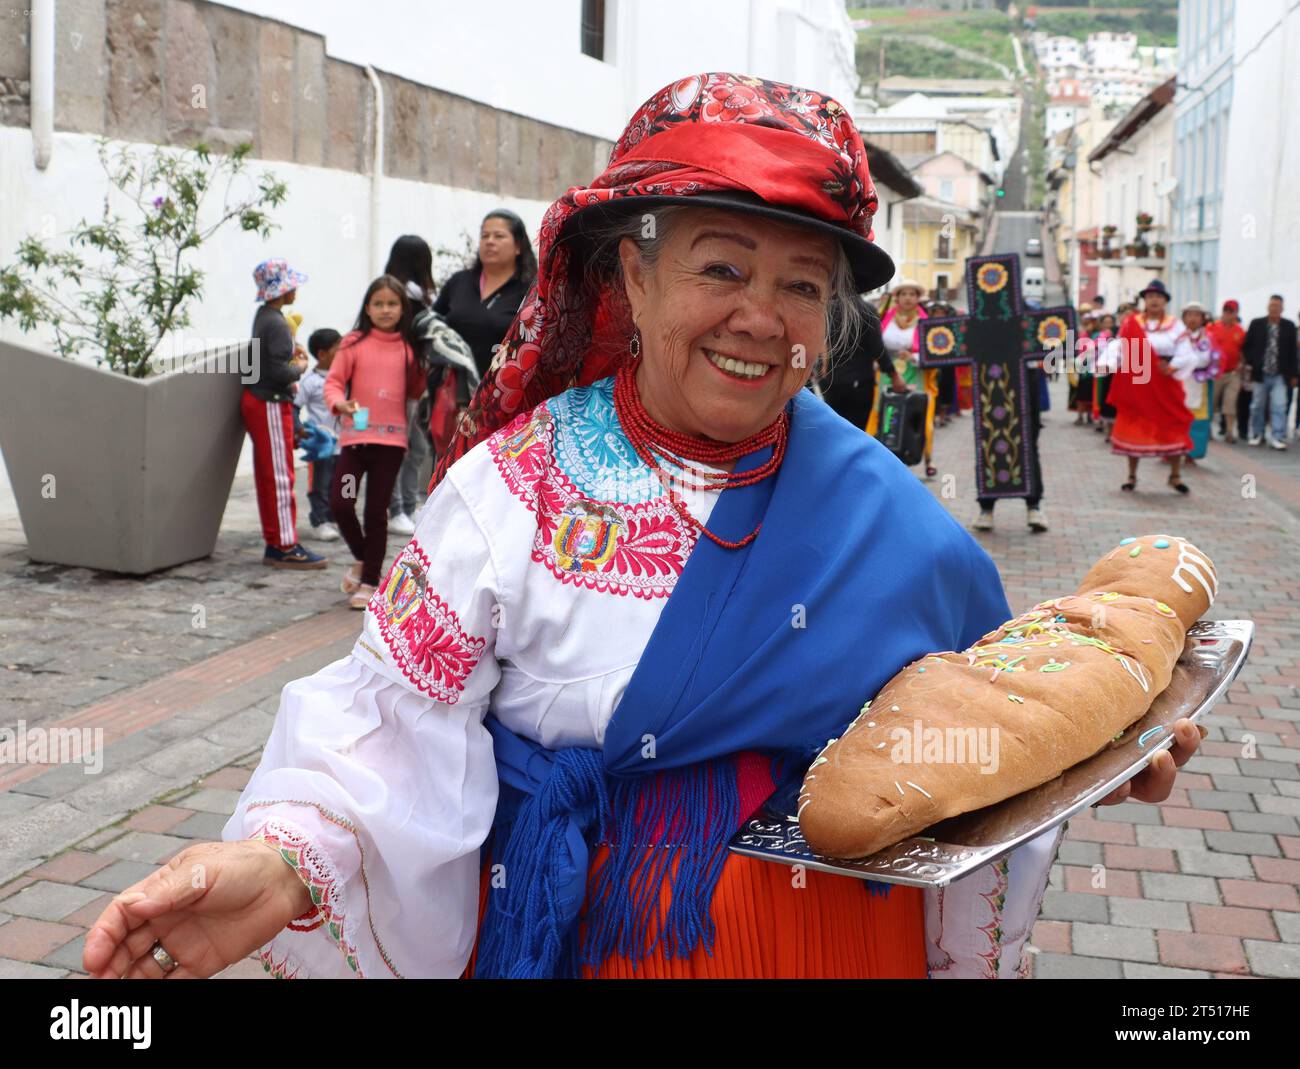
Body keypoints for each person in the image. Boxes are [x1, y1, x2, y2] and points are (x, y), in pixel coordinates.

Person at [83, 72, 1204, 983]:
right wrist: (285, 866)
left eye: (803, 288)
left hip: (834, 949)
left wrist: (1097, 756)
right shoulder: (508, 496)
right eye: (722, 268)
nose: (761, 319)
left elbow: (979, 749)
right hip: (568, 934)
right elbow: (388, 738)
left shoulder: (898, 524)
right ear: (632, 270)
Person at [325, 276, 427, 609]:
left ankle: (370, 581)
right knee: (342, 502)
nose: (385, 310)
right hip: (355, 442)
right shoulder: (353, 343)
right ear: (367, 308)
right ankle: (364, 559)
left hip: (390, 444)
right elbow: (334, 383)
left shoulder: (410, 350)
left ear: (403, 309)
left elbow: (415, 392)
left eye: (392, 304)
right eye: (378, 303)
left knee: (375, 512)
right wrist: (339, 403)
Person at [243, 259, 327, 570]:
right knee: (280, 475)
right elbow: (279, 371)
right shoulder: (276, 322)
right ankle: (285, 545)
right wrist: (302, 367)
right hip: (270, 402)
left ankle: (276, 540)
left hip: (258, 399)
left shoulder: (265, 316)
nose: (296, 290)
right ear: (284, 288)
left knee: (269, 474)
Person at [1104, 280, 1194, 493]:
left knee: (1174, 423)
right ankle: (1132, 475)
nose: (1154, 300)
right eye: (1150, 296)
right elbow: (1119, 347)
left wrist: (1172, 366)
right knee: (1135, 423)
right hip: (1139, 382)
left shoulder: (1175, 325)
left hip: (1165, 383)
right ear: (1144, 300)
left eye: (1159, 297)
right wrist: (1108, 363)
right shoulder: (1132, 323)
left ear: (1165, 301)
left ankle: (1175, 475)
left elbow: (1186, 352)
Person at [433, 209, 537, 379]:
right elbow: (434, 323)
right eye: (484, 236)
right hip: (451, 390)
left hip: (501, 392)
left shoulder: (530, 291)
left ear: (518, 246)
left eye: (498, 236)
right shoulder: (459, 281)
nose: (489, 241)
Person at [382, 235, 437, 535]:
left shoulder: (417, 296)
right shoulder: (401, 296)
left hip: (416, 383)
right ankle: (396, 510)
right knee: (398, 448)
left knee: (415, 447)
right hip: (398, 382)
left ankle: (406, 505)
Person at [865, 279, 936, 477]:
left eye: (912, 294)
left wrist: (913, 356)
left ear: (917, 298)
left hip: (915, 371)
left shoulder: (925, 323)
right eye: (903, 294)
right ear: (897, 297)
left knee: (917, 413)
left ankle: (926, 457)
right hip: (889, 371)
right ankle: (883, 453)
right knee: (885, 411)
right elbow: (876, 344)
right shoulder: (886, 318)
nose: (907, 298)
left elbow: (934, 351)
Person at [296, 328, 342, 541]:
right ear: (323, 354)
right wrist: (300, 432)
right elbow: (294, 408)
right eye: (338, 350)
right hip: (322, 445)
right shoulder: (310, 382)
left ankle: (336, 517)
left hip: (345, 444)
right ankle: (320, 520)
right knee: (319, 484)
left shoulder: (345, 379)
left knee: (343, 483)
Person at [1244, 294, 1299, 449]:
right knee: (1257, 406)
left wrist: (1294, 375)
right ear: (1268, 307)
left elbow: (1293, 353)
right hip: (1260, 373)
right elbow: (1247, 346)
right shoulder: (1257, 324)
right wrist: (1252, 362)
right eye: (1271, 306)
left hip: (1280, 375)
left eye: (1277, 306)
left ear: (1282, 308)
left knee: (1279, 405)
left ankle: (1278, 436)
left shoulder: (1289, 326)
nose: (1274, 309)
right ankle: (1257, 434)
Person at [1175, 301, 1218, 463]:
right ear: (1184, 318)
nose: (1192, 318)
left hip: (1199, 382)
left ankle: (1192, 453)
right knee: (1175, 417)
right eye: (1189, 315)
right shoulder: (1176, 335)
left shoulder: (1208, 337)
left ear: (1202, 319)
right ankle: (1171, 451)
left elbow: (1208, 359)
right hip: (1179, 381)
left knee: (1197, 419)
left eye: (1196, 315)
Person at [1206, 299, 1245, 443]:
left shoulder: (1240, 331)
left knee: (1230, 402)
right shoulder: (1211, 327)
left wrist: (1242, 365)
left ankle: (1229, 432)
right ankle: (1207, 429)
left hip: (1233, 373)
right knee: (1211, 402)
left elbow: (1243, 351)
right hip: (1215, 372)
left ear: (1236, 313)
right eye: (1226, 311)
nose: (1228, 314)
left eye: (1231, 311)